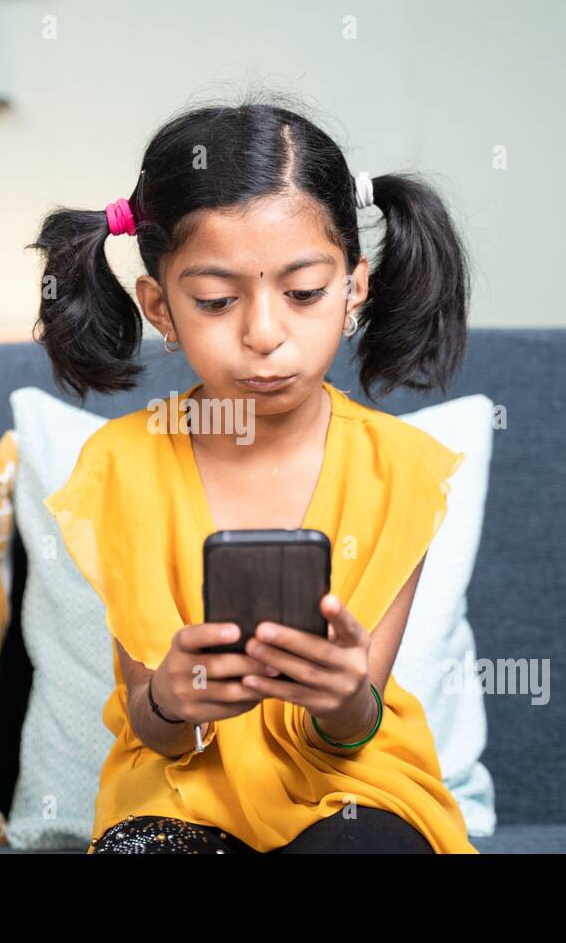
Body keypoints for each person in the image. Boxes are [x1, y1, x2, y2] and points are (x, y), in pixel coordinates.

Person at [29, 97, 475, 854]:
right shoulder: (121, 468)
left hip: (354, 790)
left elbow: (357, 728)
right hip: (177, 802)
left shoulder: (399, 468)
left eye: (303, 293)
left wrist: (342, 700)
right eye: (215, 301)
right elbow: (152, 728)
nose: (264, 335)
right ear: (160, 308)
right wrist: (170, 700)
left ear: (353, 289)